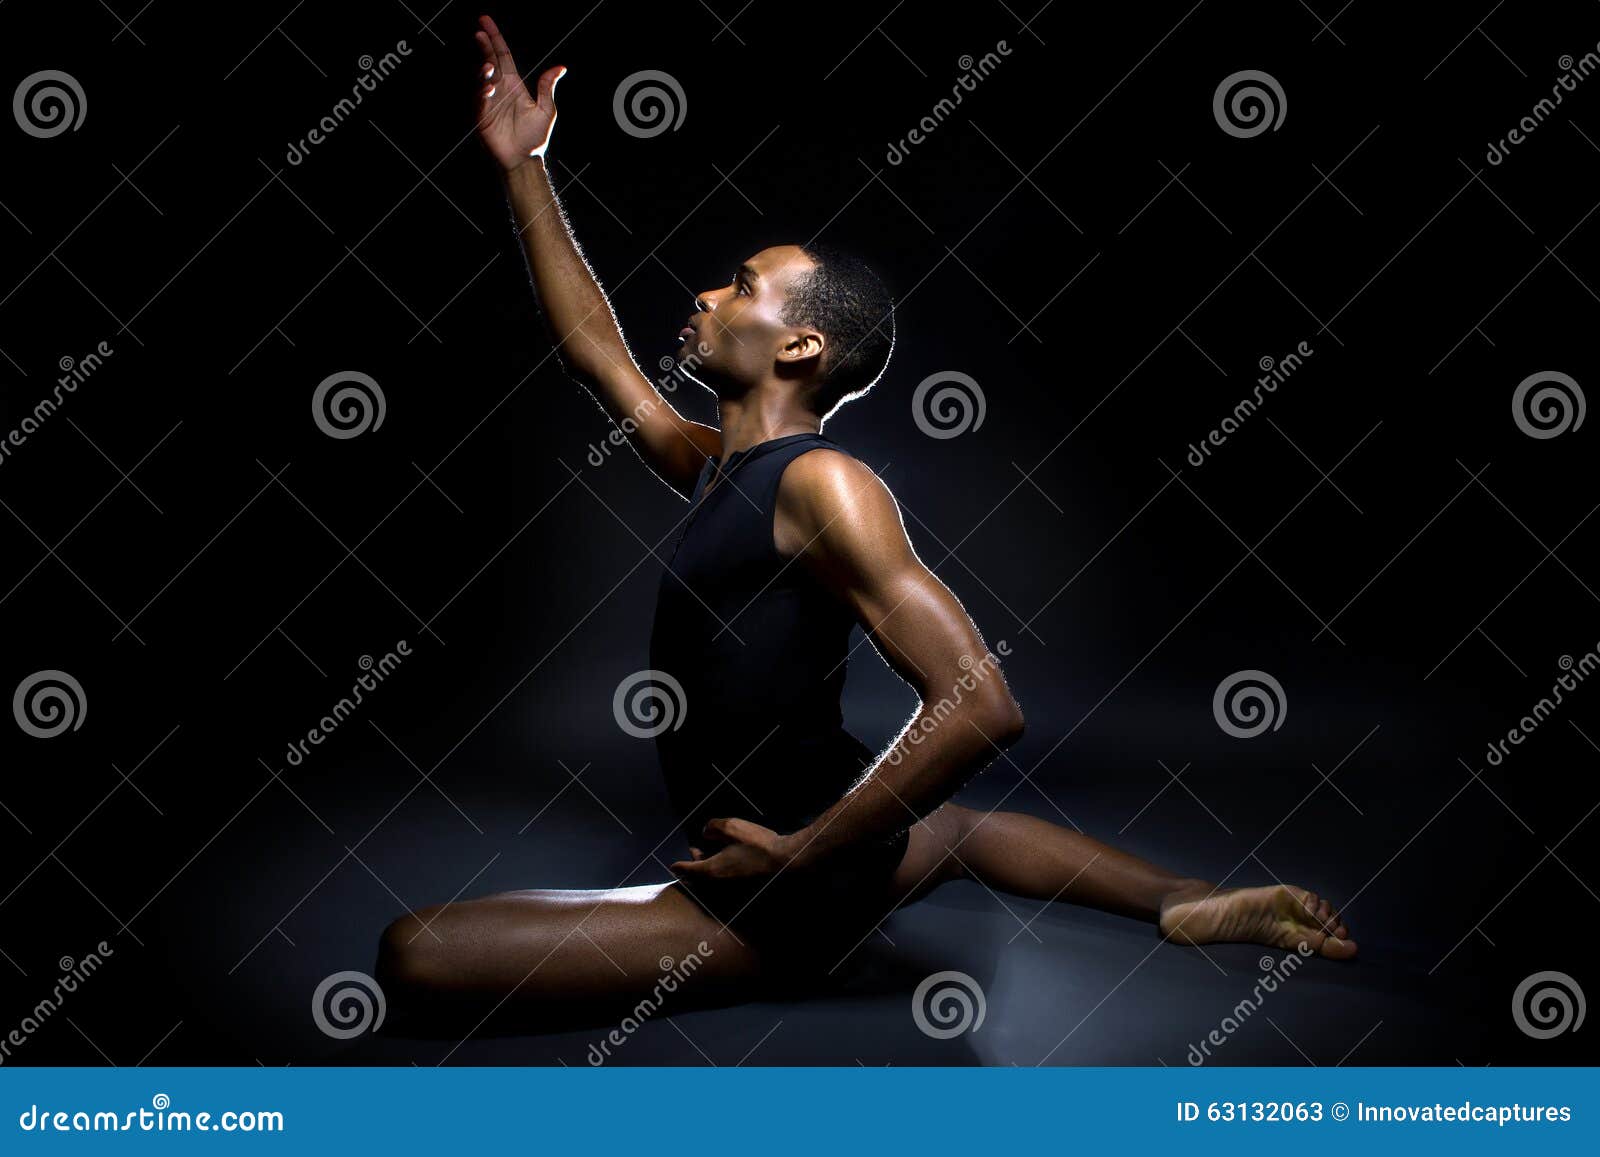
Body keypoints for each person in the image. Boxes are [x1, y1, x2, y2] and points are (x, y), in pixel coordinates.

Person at [373, 14, 1355, 1034]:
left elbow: (980, 702)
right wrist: (526, 167)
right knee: (954, 832)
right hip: (835, 834)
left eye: (743, 285)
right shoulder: (722, 467)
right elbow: (597, 354)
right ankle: (1177, 895)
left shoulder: (825, 483)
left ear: (798, 344)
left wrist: (802, 853)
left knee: (413, 953)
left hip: (783, 887)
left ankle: (819, 927)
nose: (708, 292)